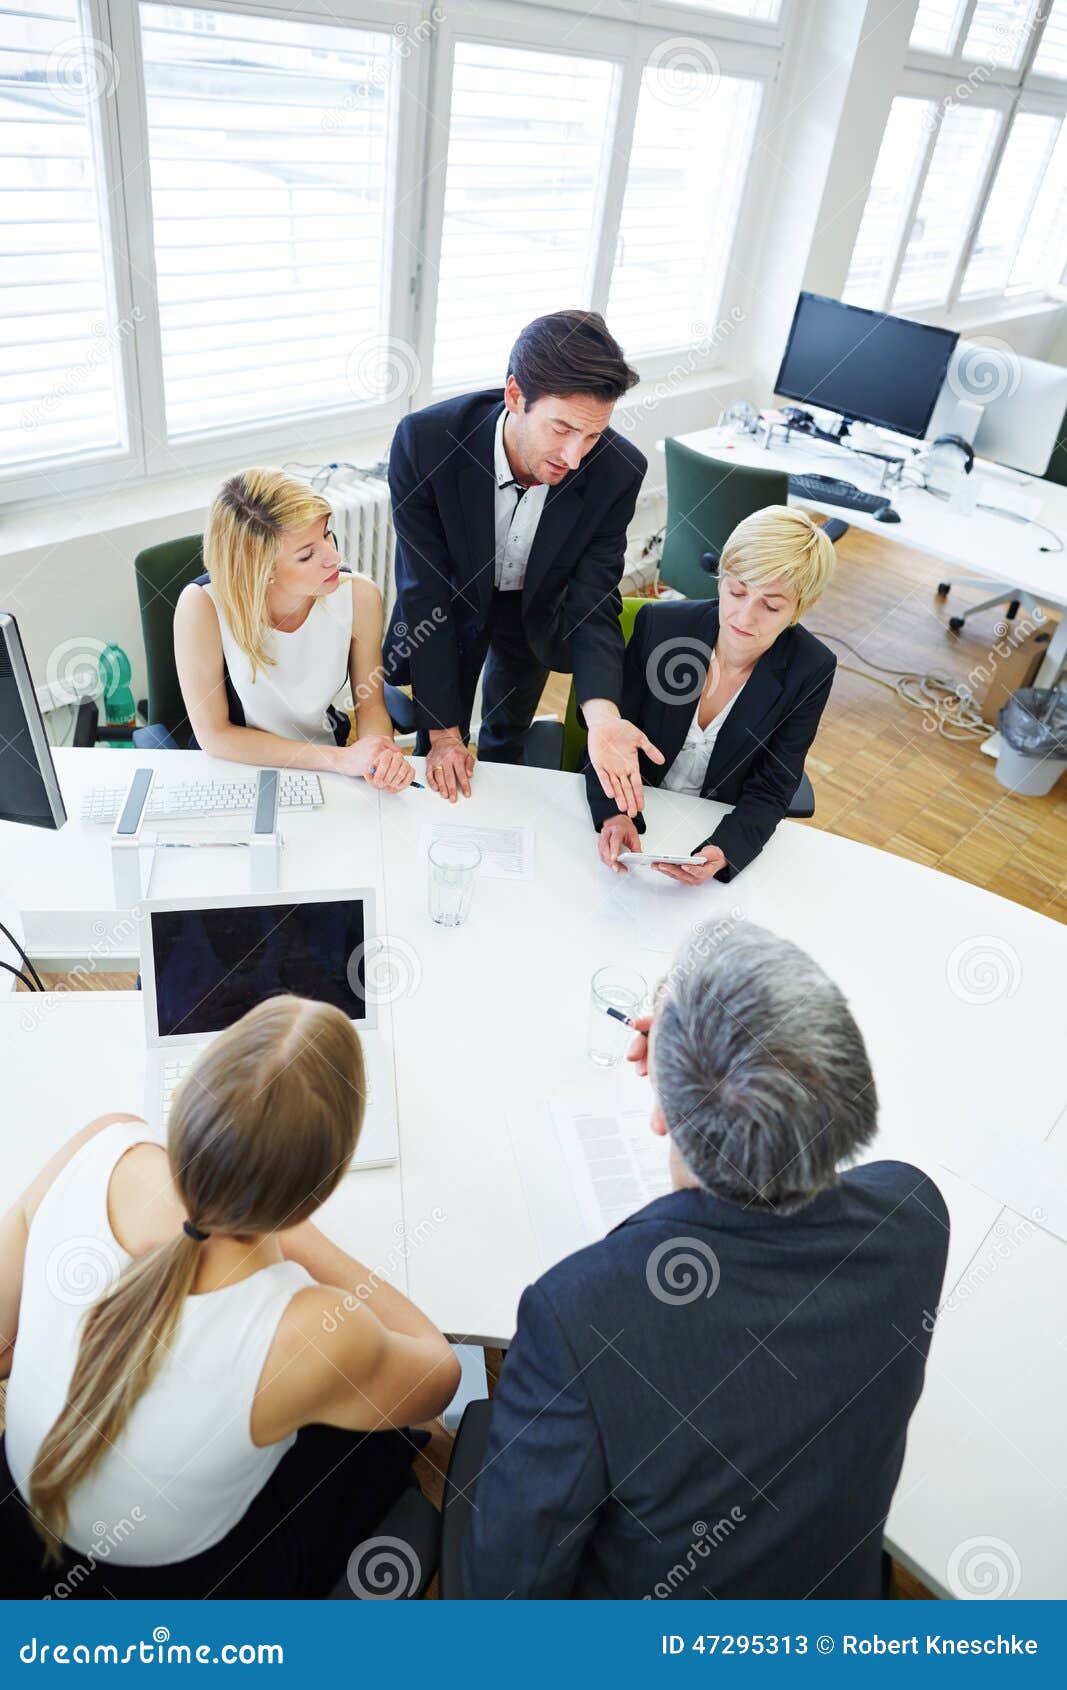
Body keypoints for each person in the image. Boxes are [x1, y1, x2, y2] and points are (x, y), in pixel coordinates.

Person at [457, 923, 949, 1599]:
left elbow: (508, 1595)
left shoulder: (579, 1315)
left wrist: (677, 1061)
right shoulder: (914, 1213)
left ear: (660, 1112)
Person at [0, 996, 460, 1598]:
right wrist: (295, 1236)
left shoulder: (102, 1144)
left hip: (20, 1516)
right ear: (323, 1184)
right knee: (366, 1437)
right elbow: (439, 1372)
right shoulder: (310, 1330)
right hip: (175, 1587)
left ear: (189, 1096)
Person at [387, 310, 663, 811]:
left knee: (507, 736)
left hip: (536, 607)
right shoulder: (426, 443)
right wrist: (445, 735)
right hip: (446, 605)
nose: (574, 457)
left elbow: (593, 600)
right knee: (441, 748)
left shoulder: (617, 471)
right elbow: (422, 589)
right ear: (515, 396)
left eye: (592, 436)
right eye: (561, 429)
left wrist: (603, 719)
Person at [588, 505, 837, 883]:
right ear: (721, 580)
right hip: (635, 816)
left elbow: (773, 787)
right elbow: (610, 739)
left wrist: (726, 851)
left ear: (801, 608)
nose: (744, 616)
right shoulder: (662, 627)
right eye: (736, 591)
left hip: (713, 827)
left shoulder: (812, 668)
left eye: (770, 605)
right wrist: (614, 813)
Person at [174, 468, 414, 791]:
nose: (335, 557)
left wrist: (378, 755)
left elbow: (370, 706)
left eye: (327, 535)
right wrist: (338, 760)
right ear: (262, 570)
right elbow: (215, 735)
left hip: (325, 767)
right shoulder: (201, 607)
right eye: (307, 555)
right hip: (236, 771)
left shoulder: (359, 597)